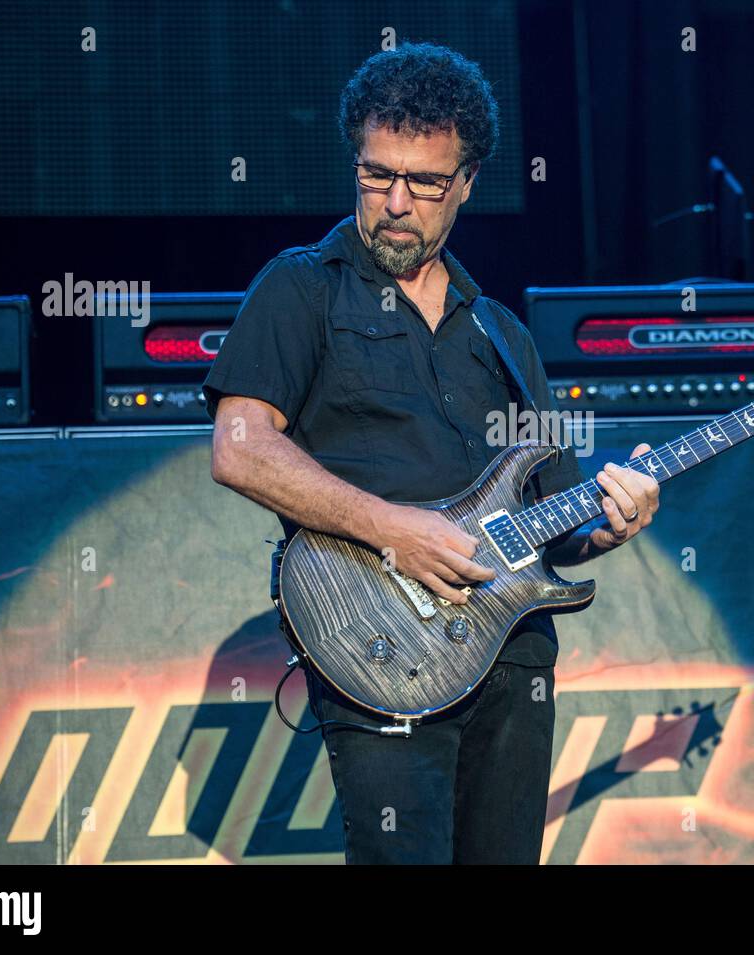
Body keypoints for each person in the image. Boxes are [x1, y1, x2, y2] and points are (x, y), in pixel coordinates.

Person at [203, 42, 661, 864]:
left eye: (425, 183)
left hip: (511, 655)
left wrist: (611, 522)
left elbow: (557, 519)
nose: (397, 203)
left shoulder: (504, 334)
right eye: (378, 175)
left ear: (468, 184)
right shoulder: (303, 286)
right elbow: (239, 448)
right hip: (378, 635)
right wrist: (393, 528)